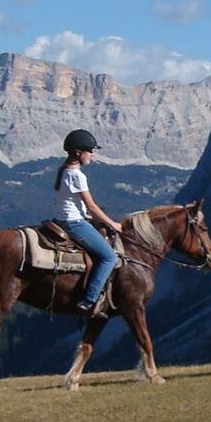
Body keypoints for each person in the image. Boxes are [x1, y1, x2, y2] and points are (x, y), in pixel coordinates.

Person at [55, 128, 123, 314]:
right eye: (90, 151)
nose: (92, 155)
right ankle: (90, 299)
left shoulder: (64, 171)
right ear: (78, 152)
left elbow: (75, 204)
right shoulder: (77, 175)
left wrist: (90, 216)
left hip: (61, 219)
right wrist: (112, 224)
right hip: (73, 223)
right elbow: (92, 206)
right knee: (109, 257)